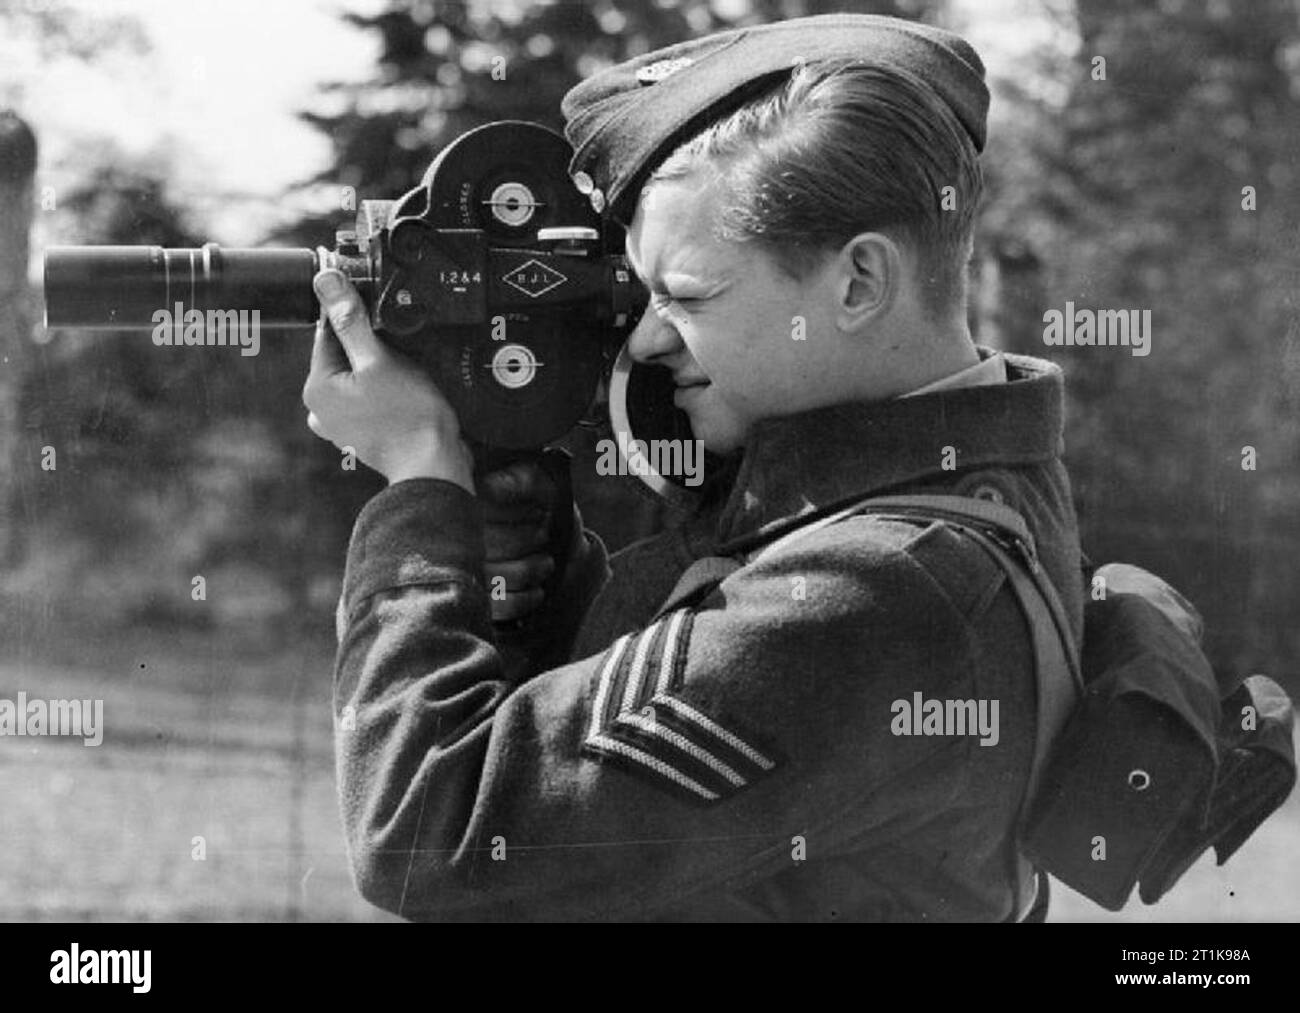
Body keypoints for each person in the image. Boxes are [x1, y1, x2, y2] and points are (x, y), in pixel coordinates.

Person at [302, 13, 1083, 921]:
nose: (645, 335)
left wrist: (417, 481)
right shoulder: (956, 491)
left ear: (860, 283)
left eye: (688, 295)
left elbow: (431, 832)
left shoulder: (878, 587)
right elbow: (664, 737)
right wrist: (524, 535)